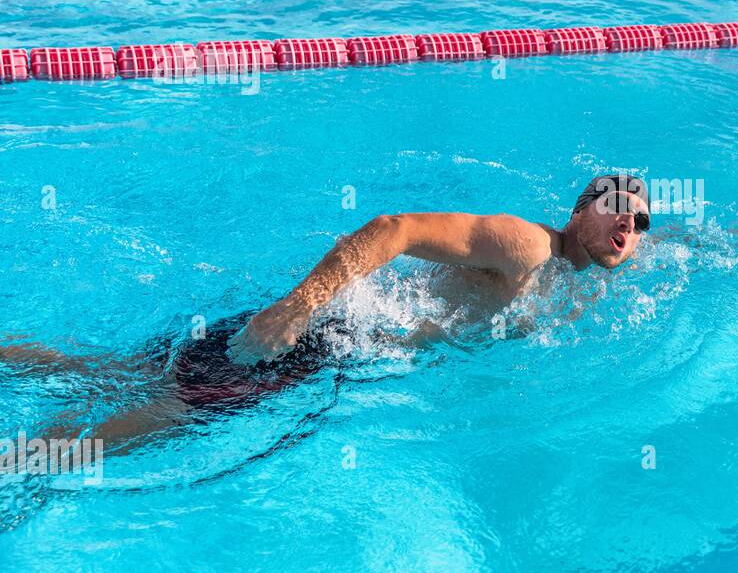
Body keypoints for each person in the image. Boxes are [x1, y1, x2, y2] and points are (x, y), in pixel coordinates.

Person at [2, 174, 651, 451]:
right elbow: (394, 228)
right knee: (170, 416)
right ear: (577, 211)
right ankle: (22, 463)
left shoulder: (573, 274)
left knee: (107, 373)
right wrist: (298, 307)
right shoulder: (527, 245)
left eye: (640, 217)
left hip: (340, 339)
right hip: (329, 335)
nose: (629, 218)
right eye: (615, 203)